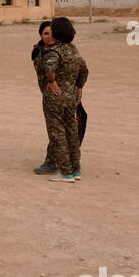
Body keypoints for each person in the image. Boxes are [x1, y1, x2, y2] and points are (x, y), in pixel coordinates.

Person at [33, 17, 89, 183]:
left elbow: (49, 68)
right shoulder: (73, 49)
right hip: (71, 97)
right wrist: (79, 86)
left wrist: (51, 82)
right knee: (72, 132)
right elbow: (84, 69)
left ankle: (66, 172)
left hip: (55, 99)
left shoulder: (54, 52)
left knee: (57, 134)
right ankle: (76, 169)